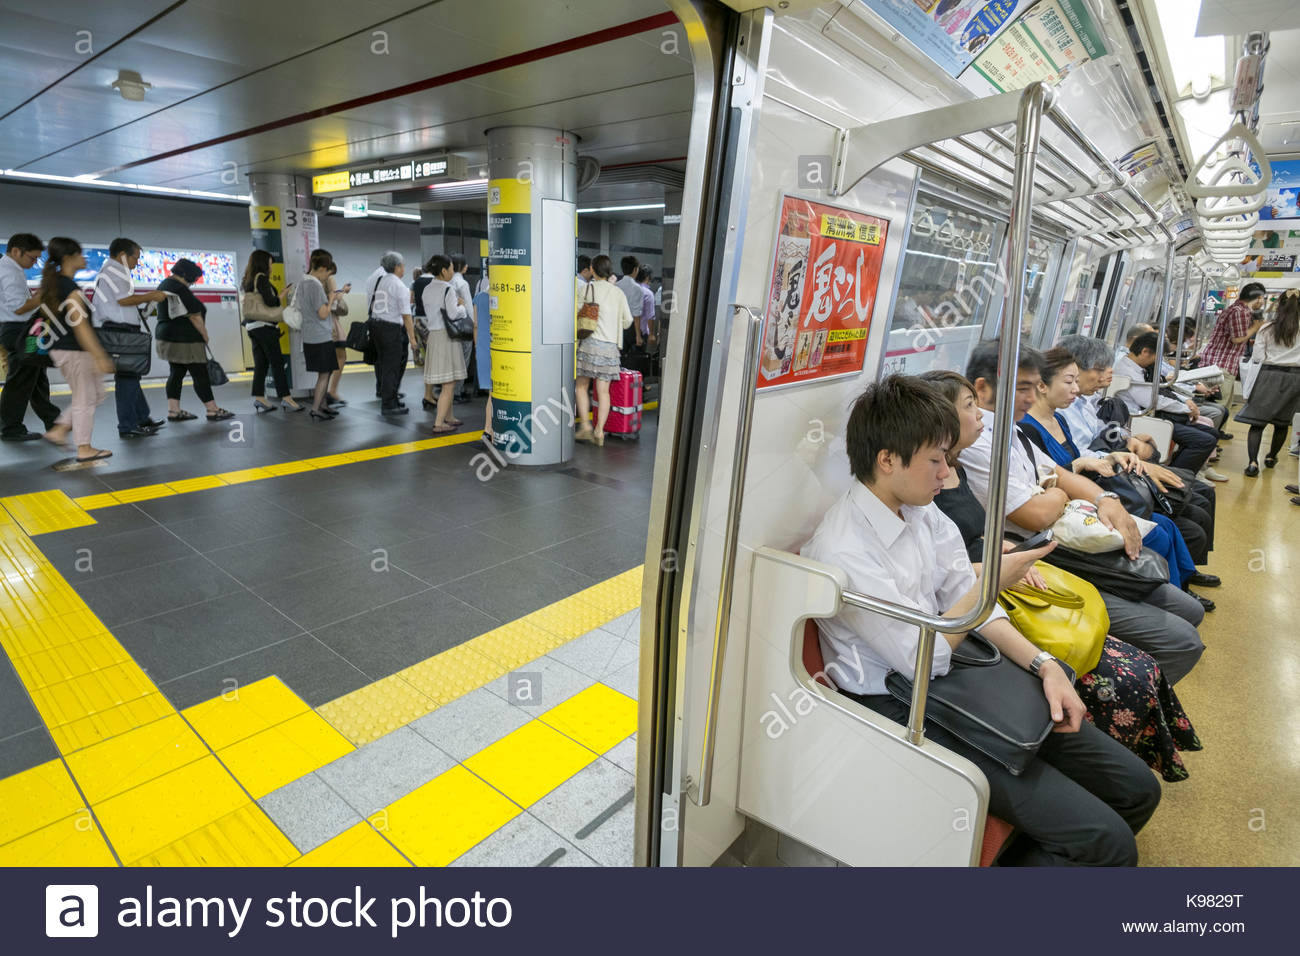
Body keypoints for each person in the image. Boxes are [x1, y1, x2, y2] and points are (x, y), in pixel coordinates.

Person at [803, 375, 1161, 866]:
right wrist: (989, 582)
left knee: (1137, 788)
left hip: (955, 672)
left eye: (948, 458)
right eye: (936, 460)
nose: (946, 473)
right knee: (1108, 844)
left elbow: (968, 602)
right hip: (898, 701)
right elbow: (920, 660)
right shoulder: (845, 549)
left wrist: (1044, 665)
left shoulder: (921, 511)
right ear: (887, 460)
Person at [925, 369, 1202, 782]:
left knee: (1174, 603)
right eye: (971, 407)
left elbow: (985, 525)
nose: (1030, 397)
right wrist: (1046, 500)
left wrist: (1083, 495)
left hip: (1016, 565)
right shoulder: (939, 475)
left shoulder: (965, 461)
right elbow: (1031, 513)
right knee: (1155, 653)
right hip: (1005, 579)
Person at [960, 342, 1205, 685]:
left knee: (1188, 609)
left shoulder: (1011, 430)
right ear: (983, 388)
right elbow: (1035, 514)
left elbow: (1059, 474)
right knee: (1181, 639)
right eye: (1023, 388)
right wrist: (1057, 491)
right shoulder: (978, 441)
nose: (1031, 398)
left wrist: (1107, 499)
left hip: (1064, 538)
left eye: (1035, 387)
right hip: (1043, 552)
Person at [1018, 347, 1205, 604]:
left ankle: (1181, 587)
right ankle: (1168, 597)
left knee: (1168, 524)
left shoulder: (1059, 421)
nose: (1075, 389)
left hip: (1084, 491)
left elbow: (1074, 461)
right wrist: (1083, 466)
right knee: (1160, 530)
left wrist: (1107, 458)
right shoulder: (1027, 429)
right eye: (1069, 382)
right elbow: (1048, 477)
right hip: (1070, 505)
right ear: (1042, 386)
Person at [1055, 334, 1219, 573]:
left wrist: (1127, 438)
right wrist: (1122, 458)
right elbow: (1079, 458)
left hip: (1116, 464)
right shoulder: (1058, 414)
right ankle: (1184, 576)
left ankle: (1190, 572)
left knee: (1200, 495)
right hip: (1106, 476)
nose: (1106, 375)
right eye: (1099, 369)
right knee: (1190, 519)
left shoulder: (1082, 402)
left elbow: (1101, 432)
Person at [36, 238, 117, 462]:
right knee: (85, 398)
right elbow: (80, 326)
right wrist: (100, 356)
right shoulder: (68, 288)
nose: (85, 258)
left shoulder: (57, 285)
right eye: (80, 254)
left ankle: (60, 430)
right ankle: (84, 448)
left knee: (96, 394)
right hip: (73, 350)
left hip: (68, 350)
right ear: (68, 258)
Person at [90, 238, 168, 438]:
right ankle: (128, 425)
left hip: (120, 329)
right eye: (136, 258)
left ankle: (142, 417)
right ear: (123, 255)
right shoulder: (115, 271)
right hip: (121, 331)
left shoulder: (110, 271)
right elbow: (123, 300)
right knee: (127, 378)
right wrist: (151, 296)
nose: (137, 262)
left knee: (131, 374)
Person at [1114, 332, 1217, 474]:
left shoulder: (1141, 368)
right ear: (1145, 352)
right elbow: (1150, 401)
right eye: (1158, 356)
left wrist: (1184, 404)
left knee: (1211, 433)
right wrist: (1185, 408)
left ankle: (1181, 471)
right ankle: (1176, 477)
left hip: (1153, 414)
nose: (1158, 361)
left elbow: (1159, 392)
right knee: (1204, 441)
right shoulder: (1128, 371)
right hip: (1141, 418)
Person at [155, 258, 234, 422]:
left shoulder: (165, 284)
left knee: (176, 373)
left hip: (167, 337)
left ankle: (174, 411)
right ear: (186, 274)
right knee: (200, 374)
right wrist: (204, 335)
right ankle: (213, 410)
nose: (194, 282)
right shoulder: (179, 288)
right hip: (185, 339)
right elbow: (194, 315)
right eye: (194, 278)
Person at [0, 233, 60, 442]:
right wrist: (42, 296)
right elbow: (18, 308)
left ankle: (53, 420)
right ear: (17, 251)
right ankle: (10, 427)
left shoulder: (11, 269)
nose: (34, 263)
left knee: (36, 375)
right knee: (21, 379)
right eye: (32, 258)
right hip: (18, 331)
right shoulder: (10, 272)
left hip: (21, 329)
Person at [1236, 288, 1300, 476]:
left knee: (1257, 423)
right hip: (1295, 378)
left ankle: (1253, 463)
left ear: (1279, 305)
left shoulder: (1267, 328)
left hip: (1268, 376)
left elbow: (1257, 356)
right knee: (1282, 423)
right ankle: (1271, 456)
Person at [575, 254, 633, 447]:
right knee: (603, 392)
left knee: (582, 387)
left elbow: (575, 312)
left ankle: (585, 426)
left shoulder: (587, 288)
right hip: (610, 349)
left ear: (592, 269)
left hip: (590, 345)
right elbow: (628, 321)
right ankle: (600, 431)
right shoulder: (618, 293)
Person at [240, 249, 302, 414]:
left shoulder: (247, 280)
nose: (271, 266)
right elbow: (271, 302)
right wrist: (281, 295)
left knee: (261, 364)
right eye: (269, 262)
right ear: (263, 263)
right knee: (276, 362)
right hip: (264, 326)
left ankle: (259, 397)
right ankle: (286, 398)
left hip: (252, 327)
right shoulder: (261, 278)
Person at [292, 251, 344, 421]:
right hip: (320, 335)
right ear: (322, 268)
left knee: (324, 372)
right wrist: (331, 299)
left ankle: (322, 405)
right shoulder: (314, 285)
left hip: (309, 334)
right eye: (327, 273)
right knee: (324, 374)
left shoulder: (302, 282)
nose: (326, 277)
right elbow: (323, 313)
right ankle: (316, 408)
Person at [420, 255, 467, 433]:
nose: (453, 272)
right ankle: (439, 423)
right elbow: (454, 314)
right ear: (444, 271)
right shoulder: (447, 289)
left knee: (448, 381)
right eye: (451, 269)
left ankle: (449, 417)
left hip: (434, 335)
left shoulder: (427, 289)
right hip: (446, 337)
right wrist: (461, 306)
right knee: (449, 384)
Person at [368, 252, 417, 415]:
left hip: (376, 327)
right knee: (392, 367)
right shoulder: (399, 286)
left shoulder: (381, 281)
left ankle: (391, 399)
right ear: (397, 267)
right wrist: (412, 337)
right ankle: (389, 404)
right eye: (403, 265)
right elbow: (406, 314)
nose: (404, 268)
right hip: (391, 329)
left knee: (384, 365)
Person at [1200, 281, 1267, 380]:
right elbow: (1237, 339)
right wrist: (1255, 327)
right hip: (1221, 365)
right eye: (1263, 298)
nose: (1263, 302)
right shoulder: (1240, 312)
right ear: (1259, 298)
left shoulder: (1236, 309)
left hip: (1217, 364)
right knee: (1220, 395)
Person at [325, 262, 350, 407]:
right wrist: (342, 292)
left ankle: (326, 392)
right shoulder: (328, 279)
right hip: (331, 322)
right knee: (340, 356)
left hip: (321, 323)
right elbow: (334, 299)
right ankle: (332, 391)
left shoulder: (310, 279)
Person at [450, 255, 474, 402]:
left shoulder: (449, 281)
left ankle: (456, 389)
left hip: (452, 325)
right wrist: (474, 324)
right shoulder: (462, 283)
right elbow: (469, 306)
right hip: (464, 324)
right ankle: (457, 392)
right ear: (462, 267)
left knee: (454, 359)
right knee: (464, 358)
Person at [615, 255, 642, 354]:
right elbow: (636, 315)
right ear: (635, 269)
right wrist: (638, 336)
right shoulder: (637, 288)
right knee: (631, 361)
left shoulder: (616, 286)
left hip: (617, 327)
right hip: (631, 328)